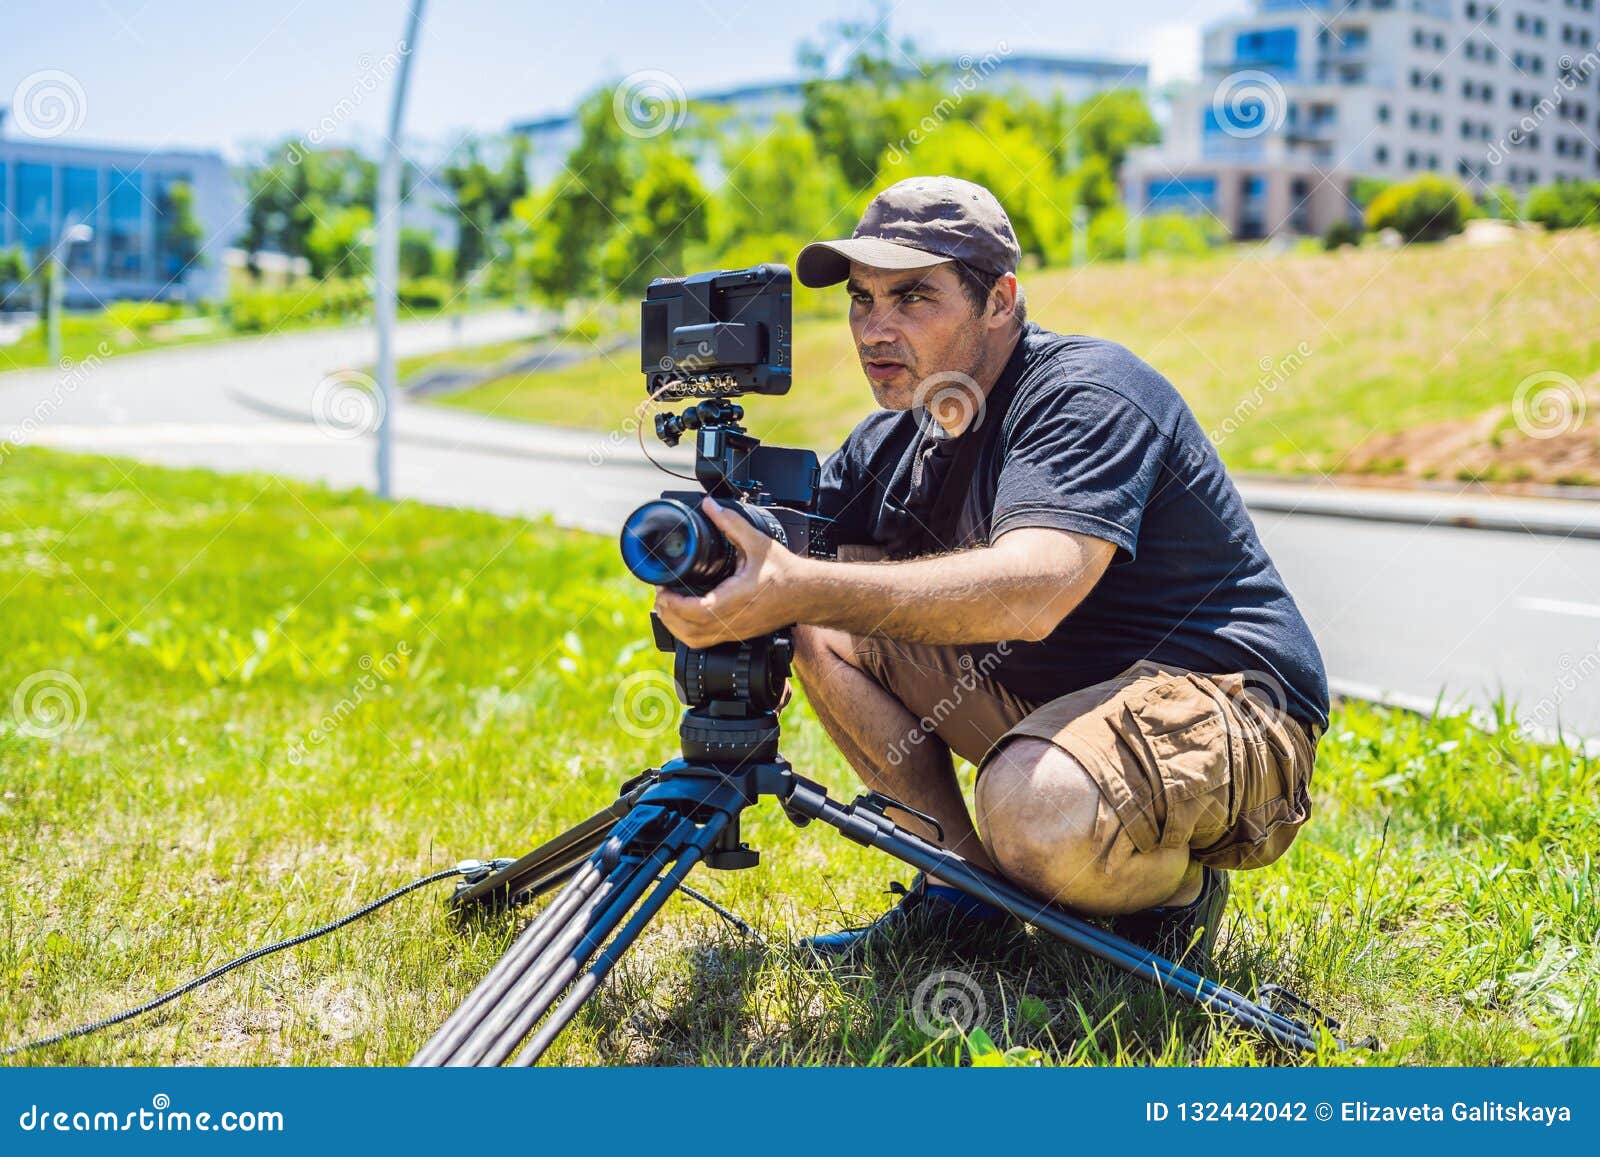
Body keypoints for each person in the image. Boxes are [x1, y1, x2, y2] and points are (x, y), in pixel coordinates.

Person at [652, 176, 1328, 964]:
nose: (875, 329)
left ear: (1000, 301)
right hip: (1066, 698)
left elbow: (1032, 590)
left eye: (912, 298)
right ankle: (964, 891)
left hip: (1234, 702)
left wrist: (800, 584)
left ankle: (1175, 891)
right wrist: (711, 553)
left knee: (1028, 808)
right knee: (821, 621)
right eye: (861, 300)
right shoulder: (898, 440)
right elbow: (796, 560)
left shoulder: (1085, 392)